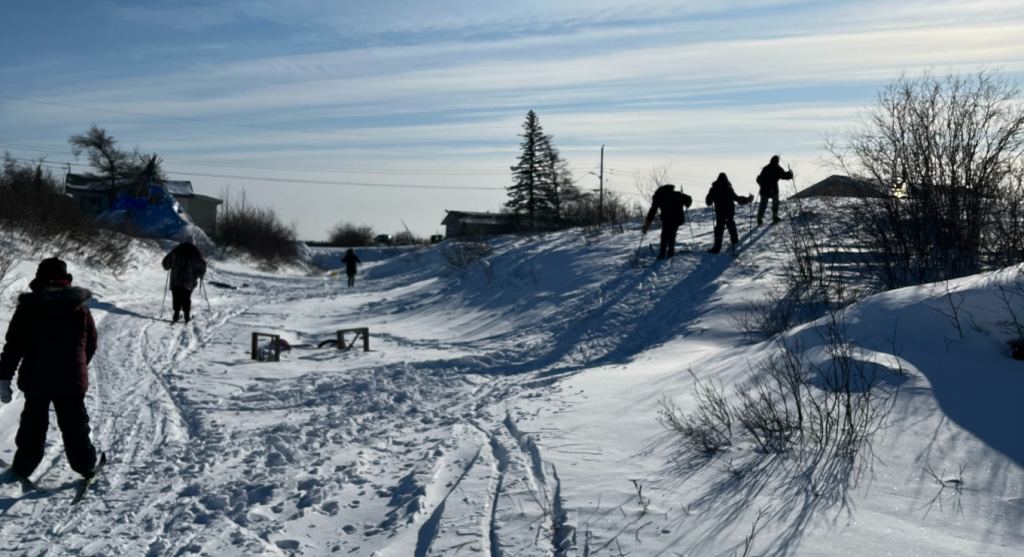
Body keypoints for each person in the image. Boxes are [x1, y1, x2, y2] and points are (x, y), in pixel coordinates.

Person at [0, 258, 101, 484]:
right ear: (65, 280)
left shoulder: (28, 308)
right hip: (71, 380)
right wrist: (78, 367)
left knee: (32, 427)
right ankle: (86, 468)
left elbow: (14, 345)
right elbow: (91, 344)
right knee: (75, 426)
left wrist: (4, 376)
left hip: (37, 379)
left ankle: (24, 467)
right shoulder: (81, 309)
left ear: (40, 278)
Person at [705, 173, 753, 254]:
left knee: (719, 227)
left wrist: (710, 199)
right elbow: (737, 199)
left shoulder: (714, 189)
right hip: (729, 211)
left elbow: (708, 201)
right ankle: (734, 241)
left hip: (719, 211)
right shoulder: (729, 189)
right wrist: (747, 200)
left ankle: (717, 247)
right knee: (731, 224)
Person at [161, 239, 207, 323]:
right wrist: (200, 274)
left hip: (176, 279)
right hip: (189, 280)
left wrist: (168, 266)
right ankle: (186, 316)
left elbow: (166, 262)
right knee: (186, 296)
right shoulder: (196, 252)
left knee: (176, 296)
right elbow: (202, 264)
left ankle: (176, 315)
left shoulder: (177, 250)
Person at [642, 184, 693, 259]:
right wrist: (687, 204)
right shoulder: (677, 195)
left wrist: (647, 225)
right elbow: (689, 199)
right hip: (678, 218)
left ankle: (663, 254)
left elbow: (652, 211)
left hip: (667, 219)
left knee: (665, 235)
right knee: (671, 234)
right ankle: (670, 253)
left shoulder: (659, 197)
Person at [756, 155, 794, 226]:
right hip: (774, 189)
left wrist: (761, 185)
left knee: (763, 204)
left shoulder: (766, 168)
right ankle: (775, 216)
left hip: (764, 189)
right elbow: (784, 176)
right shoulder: (777, 168)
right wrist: (790, 173)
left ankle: (759, 218)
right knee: (775, 203)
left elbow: (759, 178)